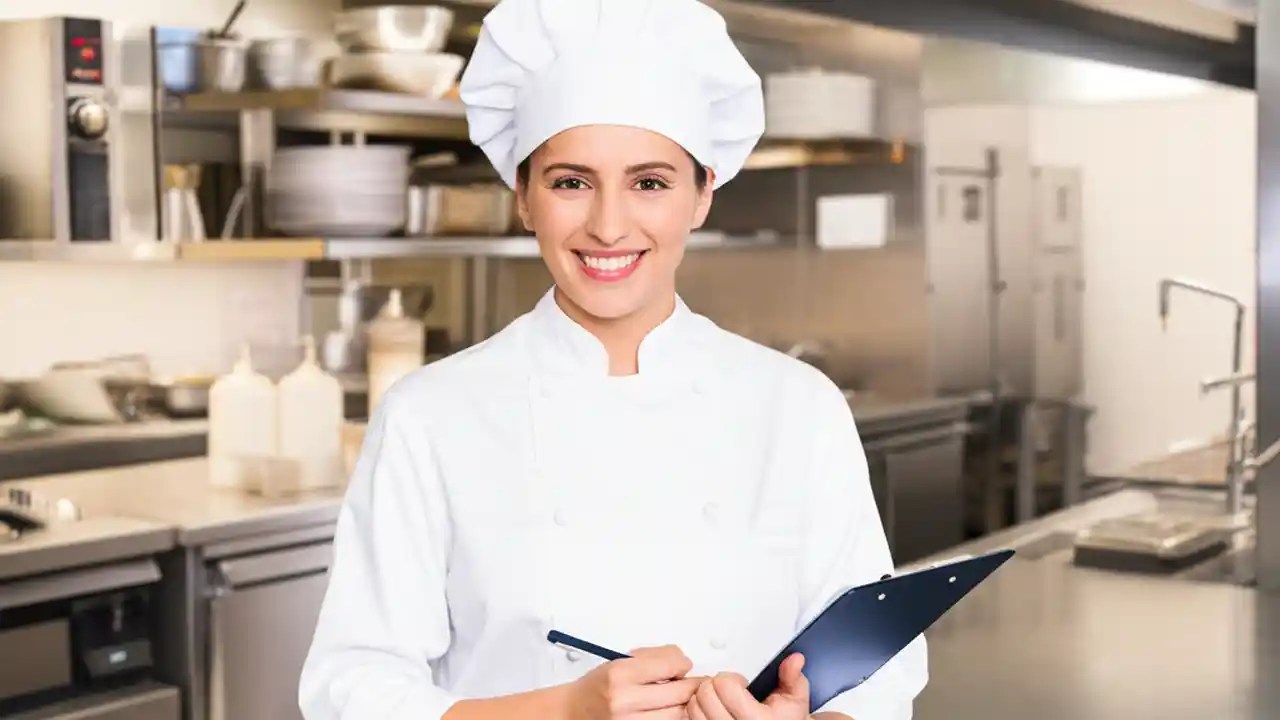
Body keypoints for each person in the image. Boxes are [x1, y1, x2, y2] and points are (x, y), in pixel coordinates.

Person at [298, 0, 928, 718]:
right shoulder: (431, 415)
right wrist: (565, 710)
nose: (607, 224)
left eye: (649, 183)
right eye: (571, 182)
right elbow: (353, 691)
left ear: (701, 195)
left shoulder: (798, 405)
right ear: (524, 198)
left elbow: (880, 671)